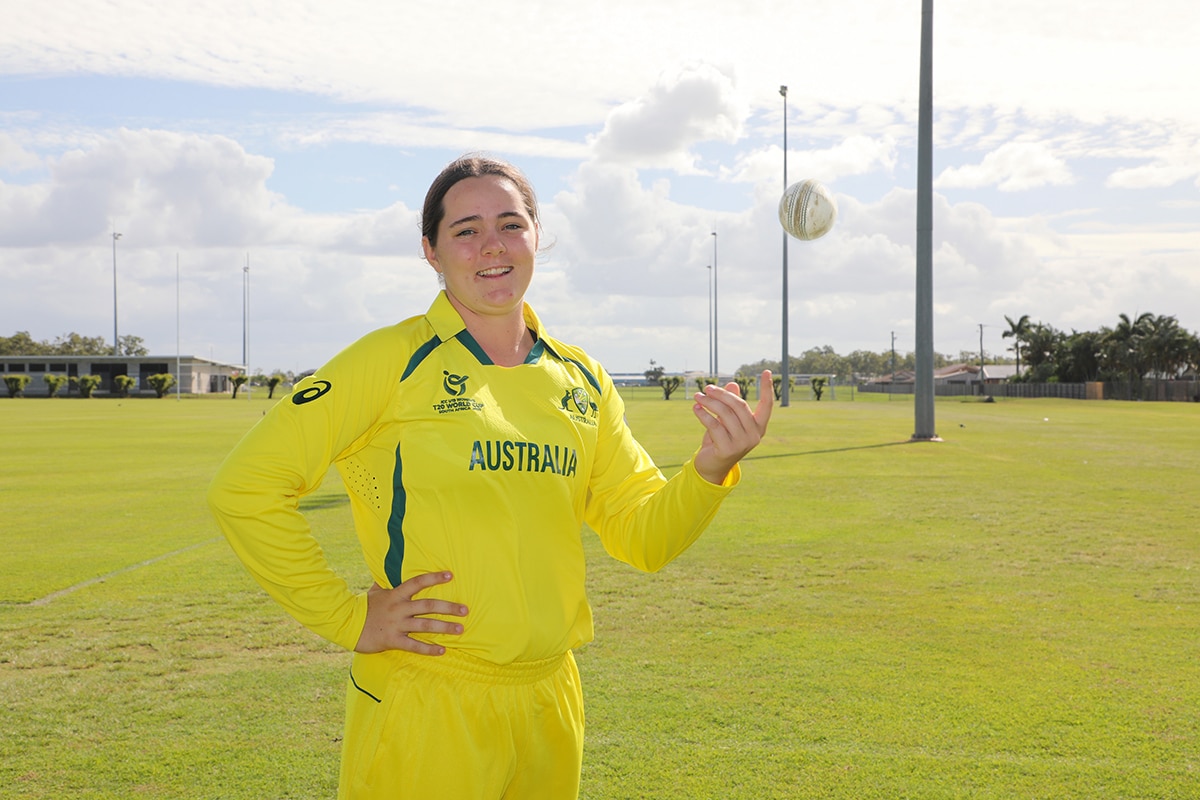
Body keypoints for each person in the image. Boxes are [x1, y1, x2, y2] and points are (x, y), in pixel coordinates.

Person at [207, 154, 773, 800]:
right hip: (429, 701)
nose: (492, 246)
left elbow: (642, 536)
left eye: (510, 223)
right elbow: (244, 488)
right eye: (466, 230)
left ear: (537, 236)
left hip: (549, 699)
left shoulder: (581, 378)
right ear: (431, 251)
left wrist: (709, 469)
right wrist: (347, 618)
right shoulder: (391, 361)